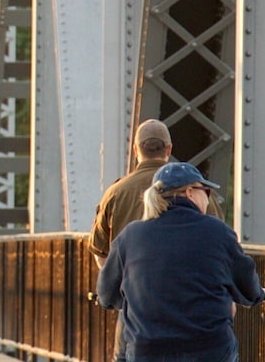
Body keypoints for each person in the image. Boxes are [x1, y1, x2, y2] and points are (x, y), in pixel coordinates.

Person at [97, 162, 265, 362]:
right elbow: (247, 287)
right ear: (189, 192)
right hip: (208, 350)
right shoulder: (218, 232)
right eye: (206, 191)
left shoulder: (130, 236)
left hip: (149, 352)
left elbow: (106, 295)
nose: (208, 198)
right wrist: (257, 294)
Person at [87, 119, 176, 358]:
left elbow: (100, 252)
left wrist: (117, 285)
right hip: (187, 309)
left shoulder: (116, 192)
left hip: (135, 306)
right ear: (168, 149)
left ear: (135, 150)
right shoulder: (193, 190)